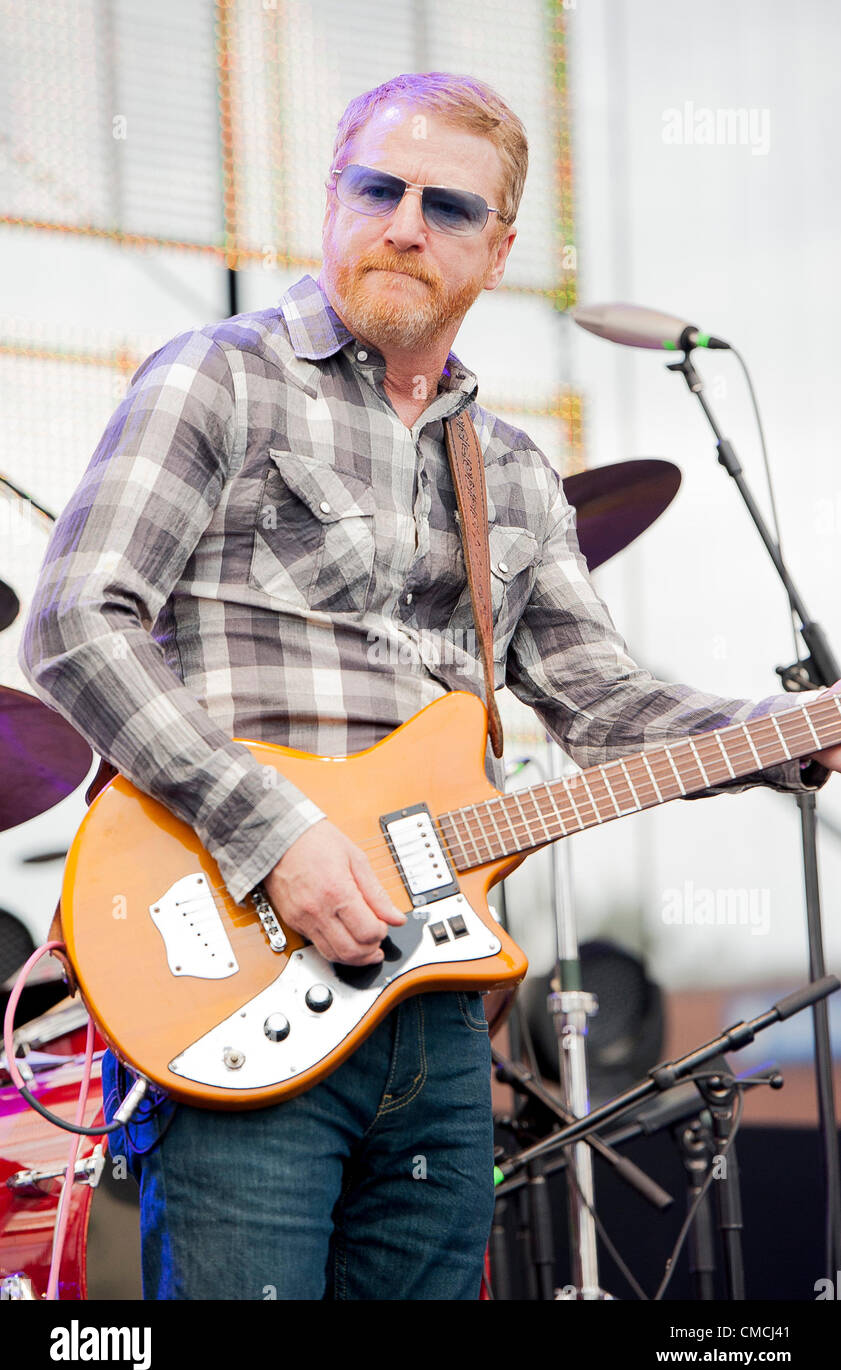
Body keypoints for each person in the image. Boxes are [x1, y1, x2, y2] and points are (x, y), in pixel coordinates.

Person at [19, 72, 840, 1301]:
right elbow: (78, 623)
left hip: (438, 1012)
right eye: (377, 188)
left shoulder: (504, 469)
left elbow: (606, 703)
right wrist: (278, 837)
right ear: (334, 201)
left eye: (446, 205)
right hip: (234, 963)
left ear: (497, 249)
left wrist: (793, 730)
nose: (404, 223)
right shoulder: (219, 376)